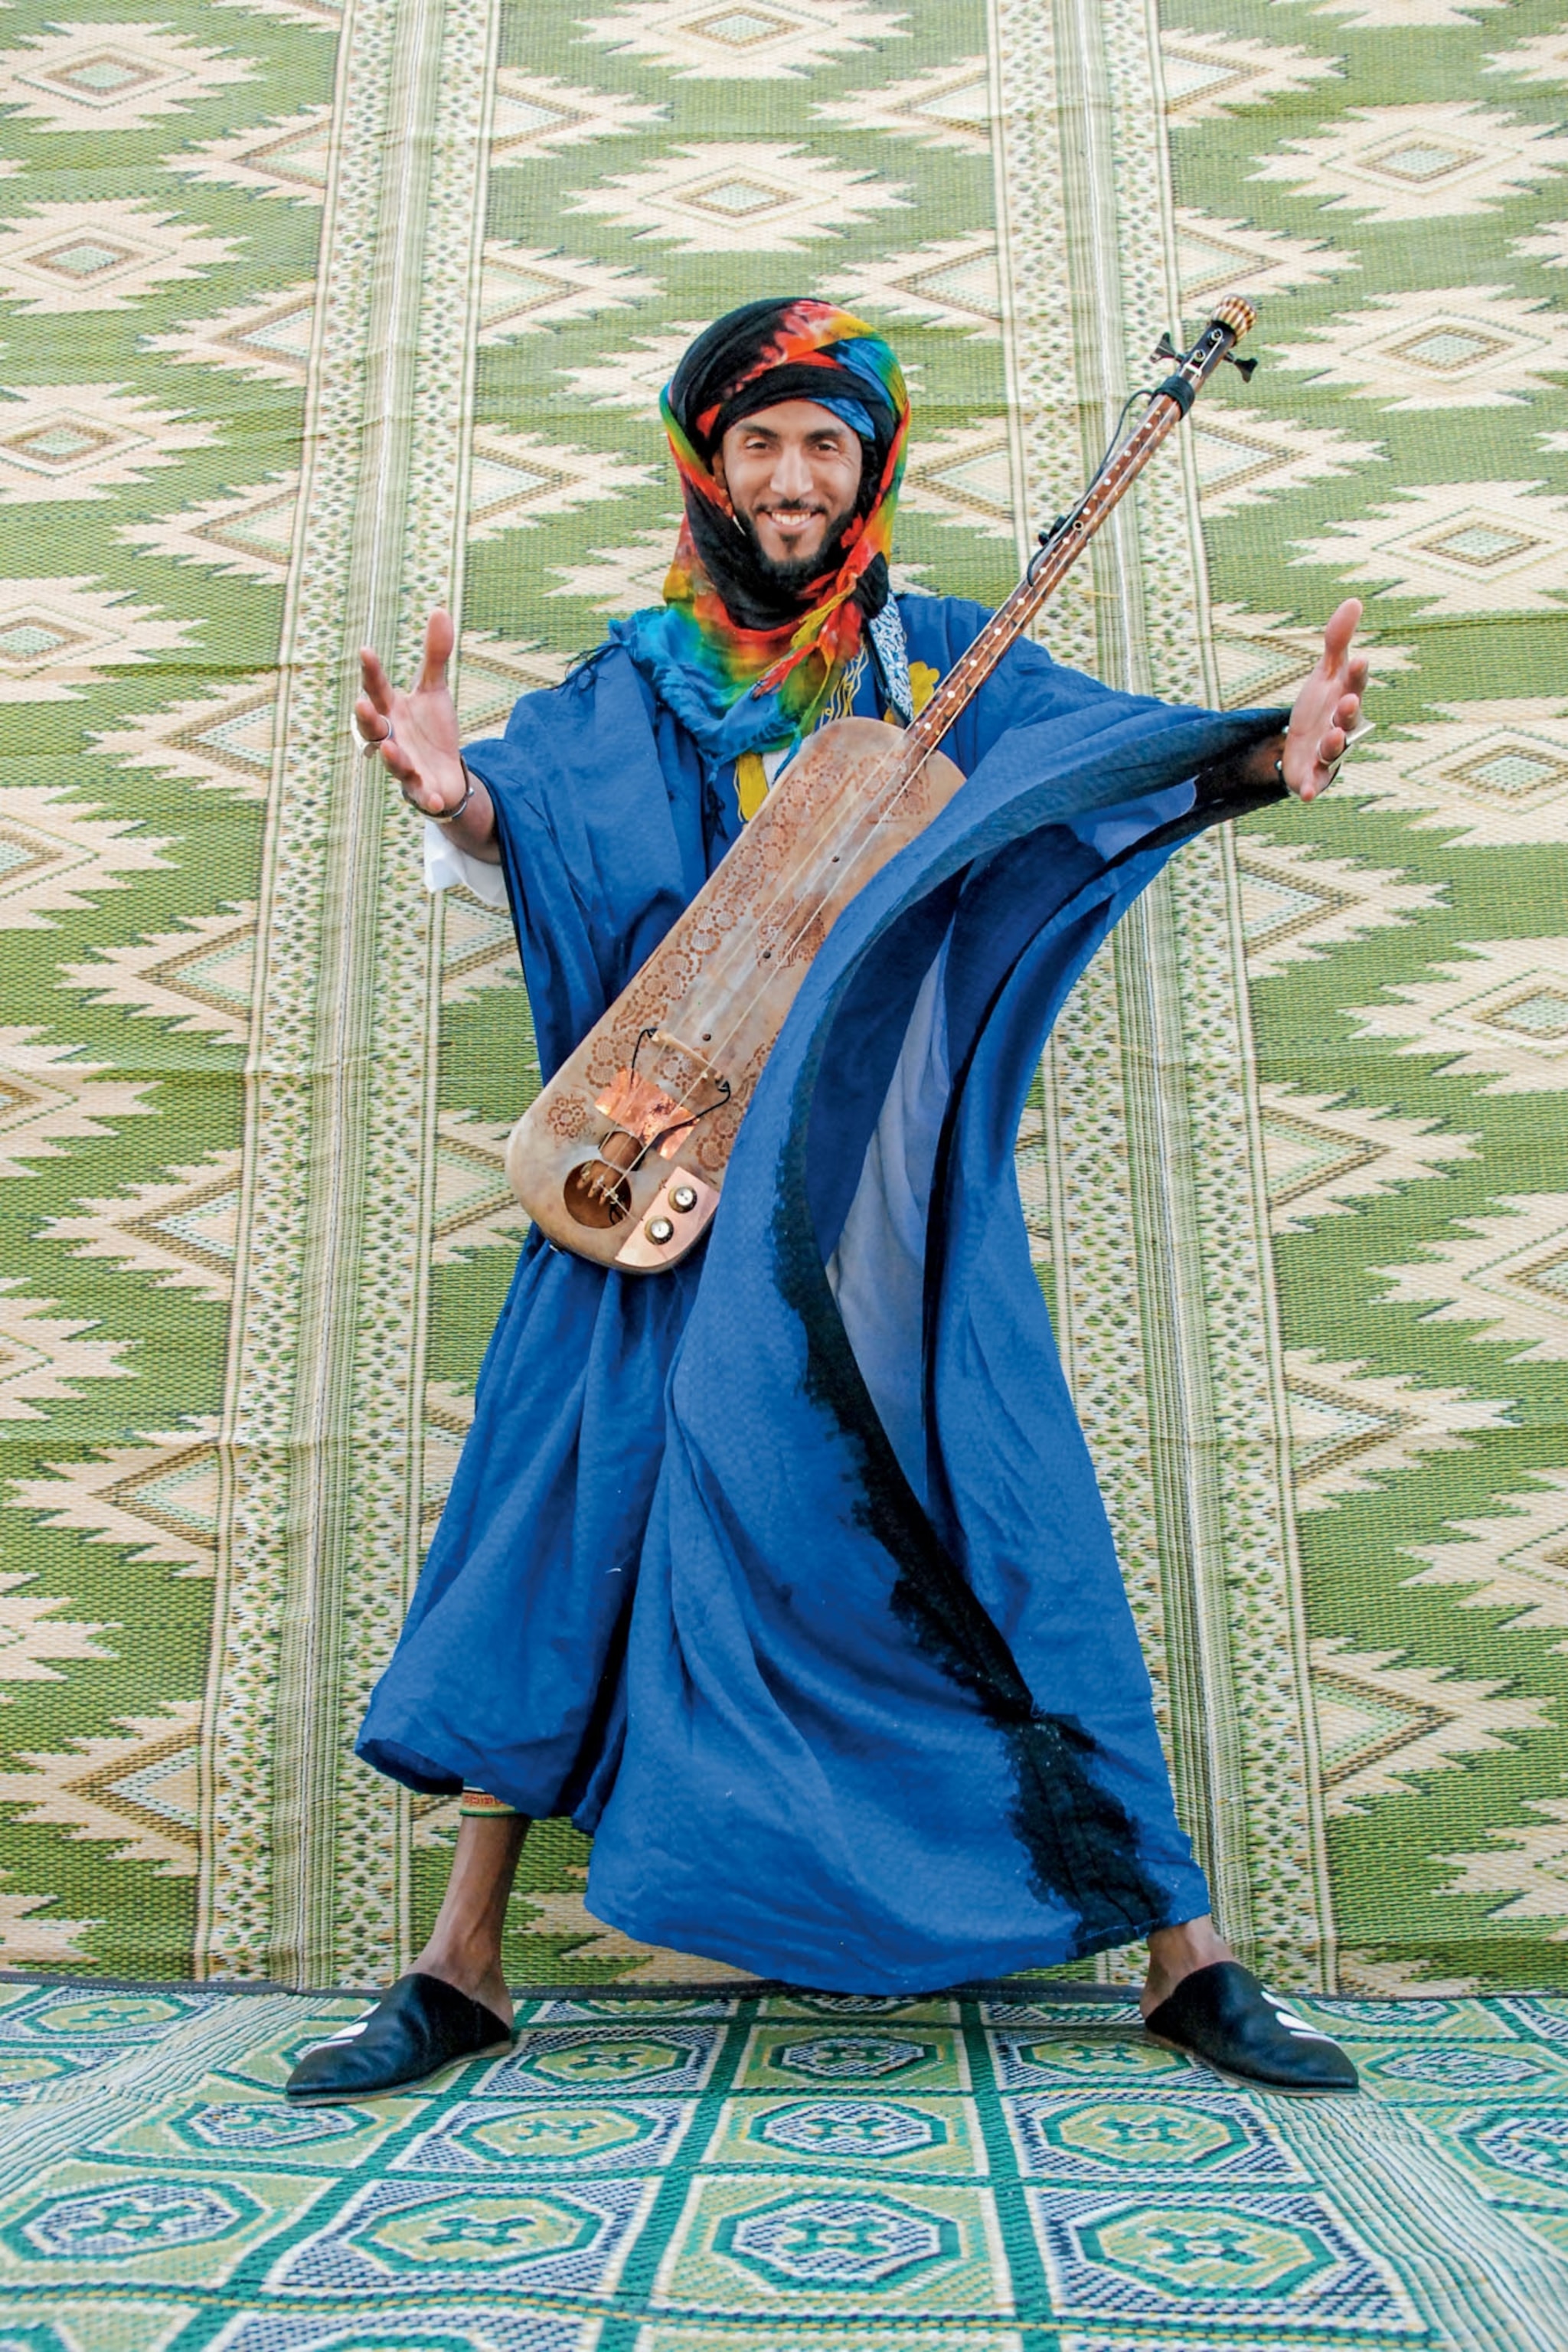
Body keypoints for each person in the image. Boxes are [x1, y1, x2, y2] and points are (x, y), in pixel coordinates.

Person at [287, 299, 1368, 2105]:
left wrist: (1267, 753)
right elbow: (527, 830)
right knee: (560, 1527)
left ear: (869, 471)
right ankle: (457, 1966)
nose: (793, 481)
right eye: (761, 444)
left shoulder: (940, 661)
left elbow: (1092, 765)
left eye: (828, 447)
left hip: (875, 1207)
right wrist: (463, 800)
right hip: (648, 1181)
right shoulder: (629, 687)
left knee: (1012, 1531)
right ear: (706, 463)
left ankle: (1188, 1960)